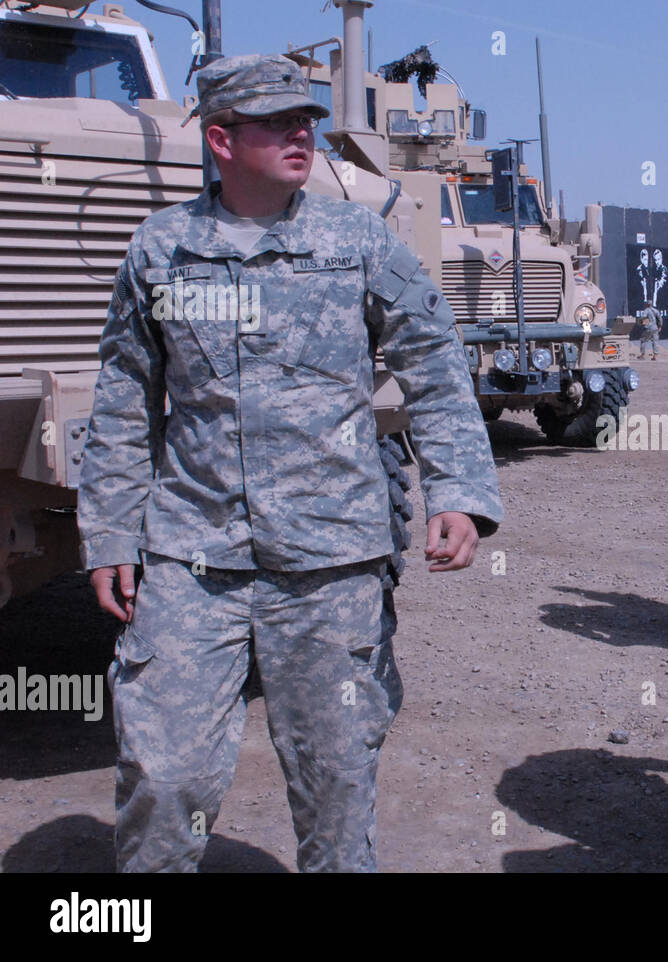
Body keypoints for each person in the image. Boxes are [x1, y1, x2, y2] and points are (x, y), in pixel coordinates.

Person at [77, 54, 503, 873]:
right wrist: (109, 535)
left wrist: (458, 488)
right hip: (191, 555)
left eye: (304, 119)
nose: (301, 132)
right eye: (277, 122)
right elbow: (126, 397)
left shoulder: (355, 241)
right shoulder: (162, 249)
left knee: (336, 777)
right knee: (164, 776)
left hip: (331, 561)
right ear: (221, 140)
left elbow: (434, 361)